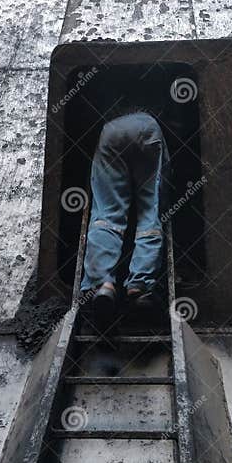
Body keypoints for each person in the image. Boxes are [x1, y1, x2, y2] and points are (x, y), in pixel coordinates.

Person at [80, 110, 169, 323]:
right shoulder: (153, 107)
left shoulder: (112, 110)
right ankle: (139, 287)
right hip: (149, 129)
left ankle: (103, 285)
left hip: (112, 132)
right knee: (149, 210)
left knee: (107, 214)